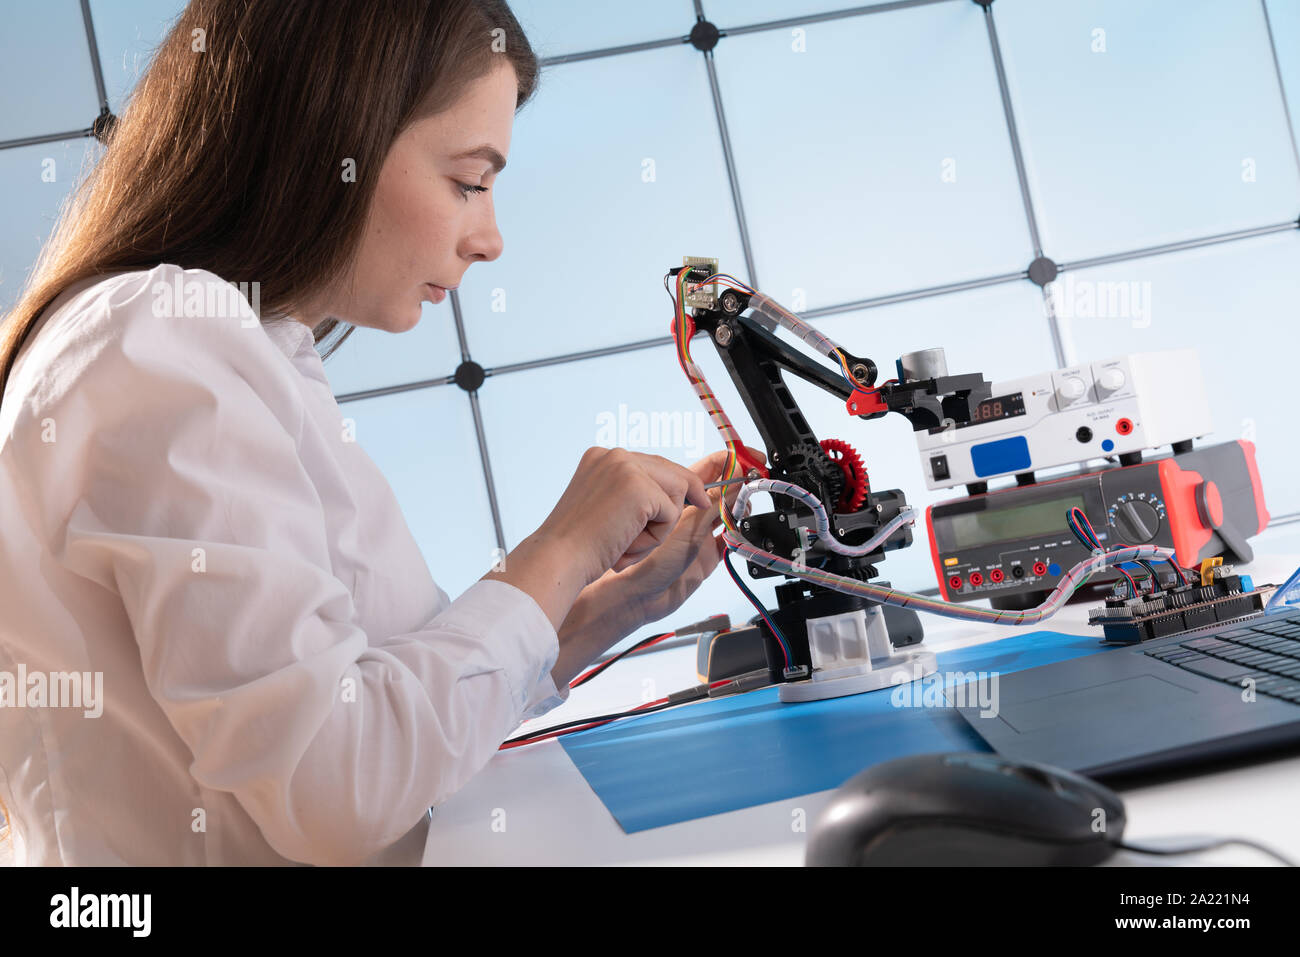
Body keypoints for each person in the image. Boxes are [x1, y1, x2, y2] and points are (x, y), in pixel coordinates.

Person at [0, 0, 758, 866]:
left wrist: (615, 602)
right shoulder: (160, 337)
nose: (492, 238)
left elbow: (402, 719)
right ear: (335, 139)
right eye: (470, 180)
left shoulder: (243, 346)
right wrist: (565, 542)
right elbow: (335, 789)